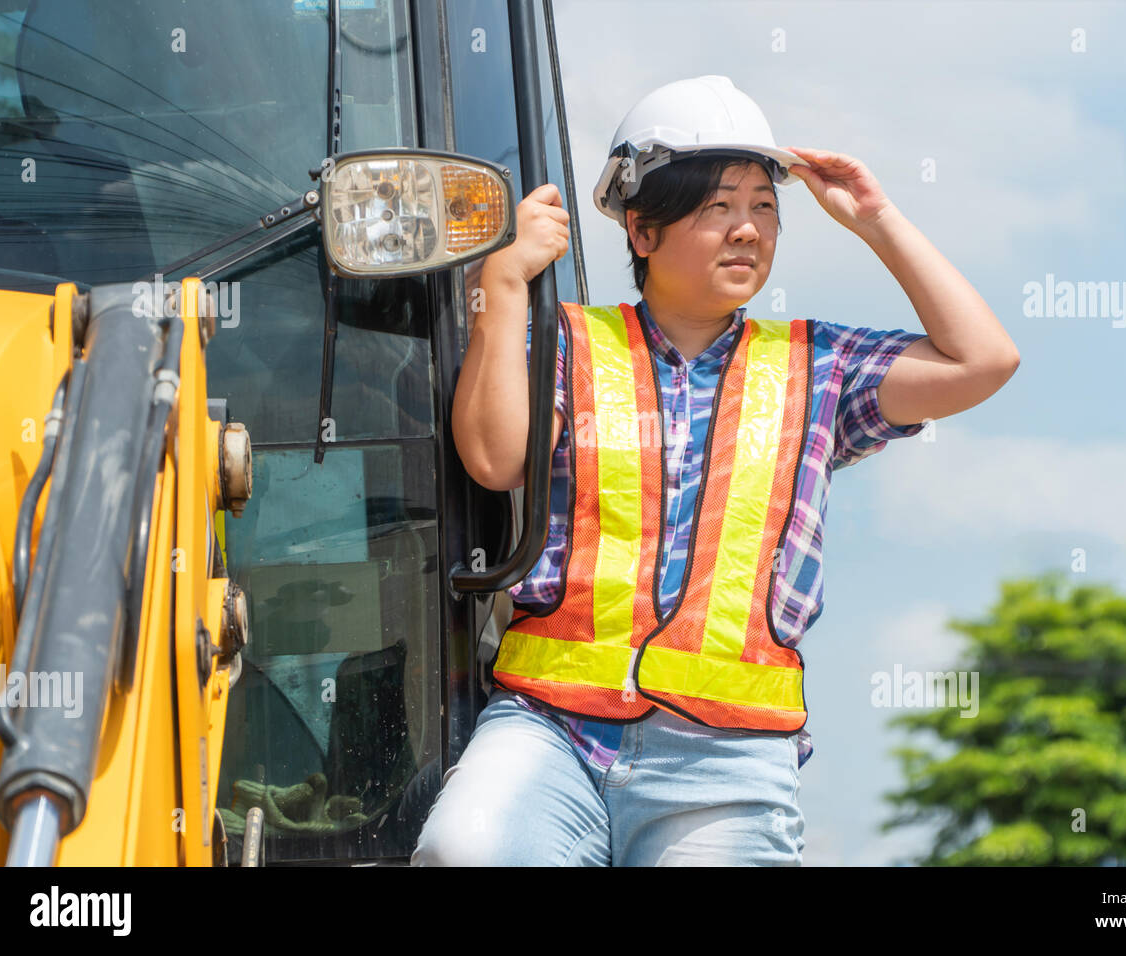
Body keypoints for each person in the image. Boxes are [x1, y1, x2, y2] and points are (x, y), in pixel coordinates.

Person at [414, 75, 1019, 866]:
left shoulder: (817, 365)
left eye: (764, 208)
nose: (748, 230)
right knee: (464, 850)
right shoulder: (569, 342)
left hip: (726, 761)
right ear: (642, 230)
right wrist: (500, 284)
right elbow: (495, 459)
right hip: (551, 727)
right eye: (718, 208)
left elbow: (985, 360)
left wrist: (878, 223)